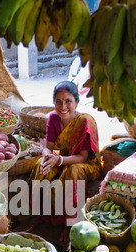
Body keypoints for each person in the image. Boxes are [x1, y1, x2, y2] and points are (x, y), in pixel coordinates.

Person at [28, 81, 102, 241]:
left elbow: (82, 157)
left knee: (72, 170)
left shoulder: (84, 121)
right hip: (62, 159)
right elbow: (48, 147)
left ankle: (71, 223)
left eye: (68, 101)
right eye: (58, 102)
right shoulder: (53, 118)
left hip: (86, 164)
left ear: (76, 102)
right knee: (40, 166)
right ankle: (39, 216)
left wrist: (59, 160)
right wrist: (46, 157)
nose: (63, 106)